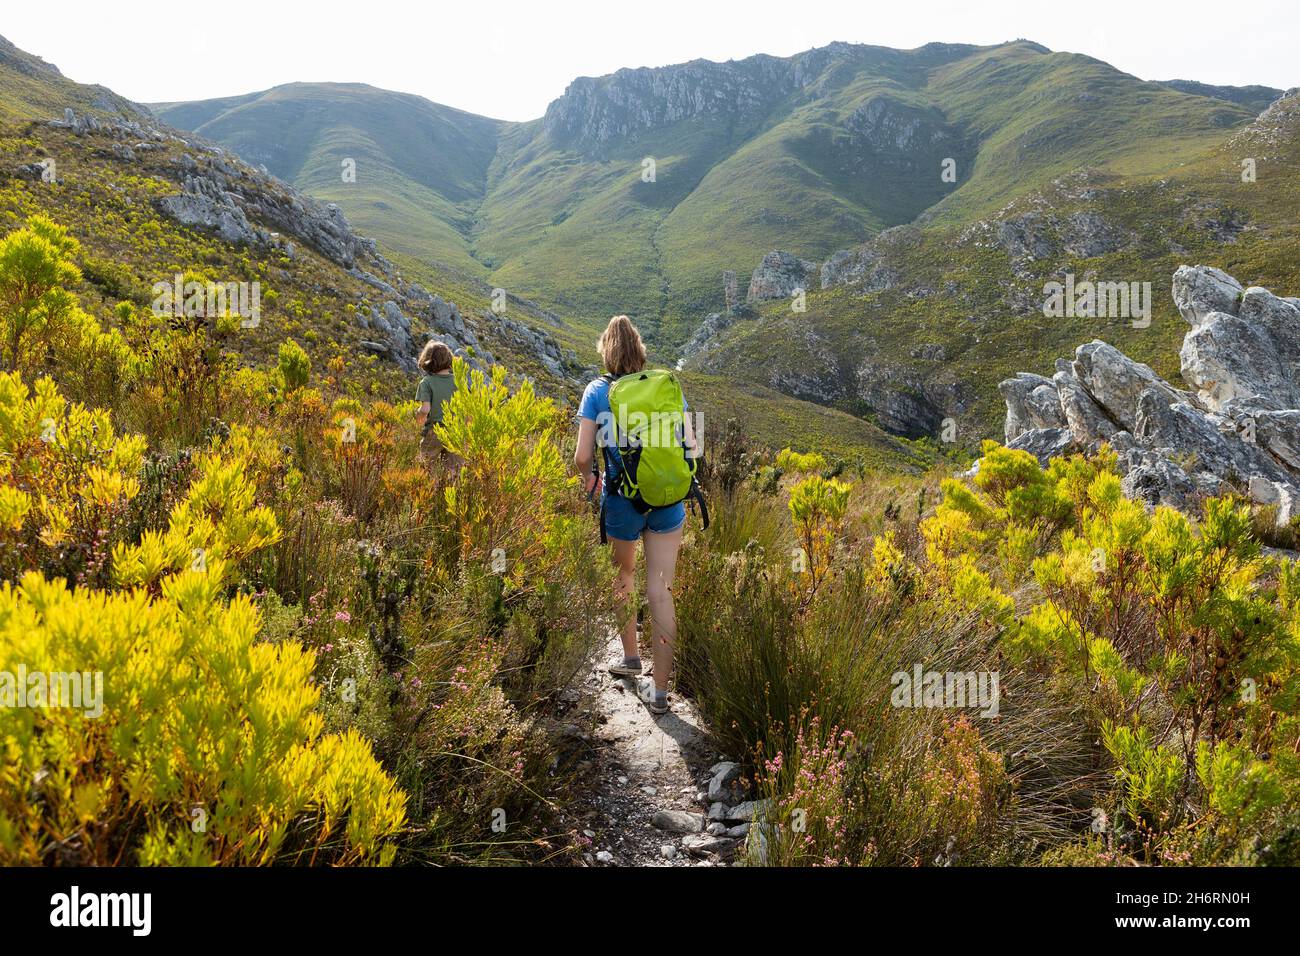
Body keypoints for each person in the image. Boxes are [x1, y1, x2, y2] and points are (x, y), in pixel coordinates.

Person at [574, 315, 695, 716]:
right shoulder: (666, 388)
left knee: (623, 578)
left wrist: (591, 478)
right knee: (661, 592)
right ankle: (661, 694)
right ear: (640, 351)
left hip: (623, 503)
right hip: (668, 502)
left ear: (606, 351)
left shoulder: (597, 391)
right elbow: (691, 449)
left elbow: (582, 457)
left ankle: (630, 659)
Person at [415, 340, 457, 462]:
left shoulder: (427, 382)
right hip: (456, 431)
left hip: (435, 431)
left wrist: (418, 418)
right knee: (454, 472)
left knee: (426, 467)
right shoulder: (458, 381)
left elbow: (425, 409)